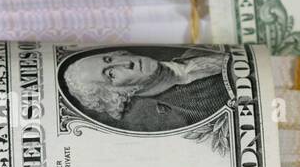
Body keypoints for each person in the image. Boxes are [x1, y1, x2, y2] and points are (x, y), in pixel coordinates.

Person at [62, 48, 231, 132]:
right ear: (116, 95)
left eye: (109, 59)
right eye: (111, 74)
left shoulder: (192, 51)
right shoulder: (184, 115)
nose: (127, 63)